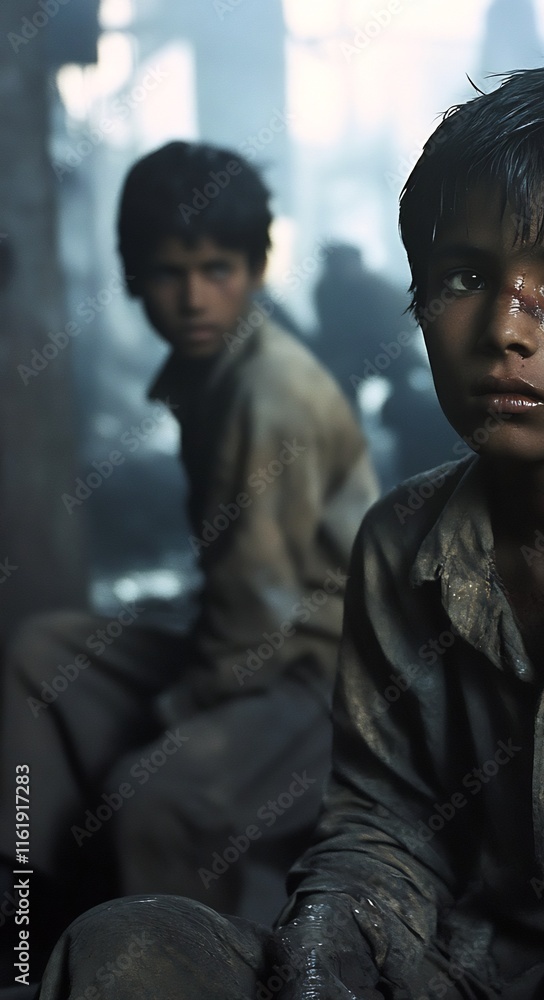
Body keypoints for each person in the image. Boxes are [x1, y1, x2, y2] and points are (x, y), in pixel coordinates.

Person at [39, 66, 544, 999]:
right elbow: (382, 822)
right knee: (125, 949)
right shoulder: (399, 541)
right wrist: (328, 953)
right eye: (466, 277)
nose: (505, 327)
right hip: (470, 968)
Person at [1, 141, 379, 959]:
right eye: (170, 273)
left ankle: (176, 968)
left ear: (256, 270)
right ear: (134, 277)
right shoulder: (208, 369)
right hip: (242, 635)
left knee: (156, 799)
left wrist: (165, 718)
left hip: (323, 677)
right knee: (43, 652)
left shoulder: (268, 393)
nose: (195, 297)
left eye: (218, 270)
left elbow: (257, 626)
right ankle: (25, 907)